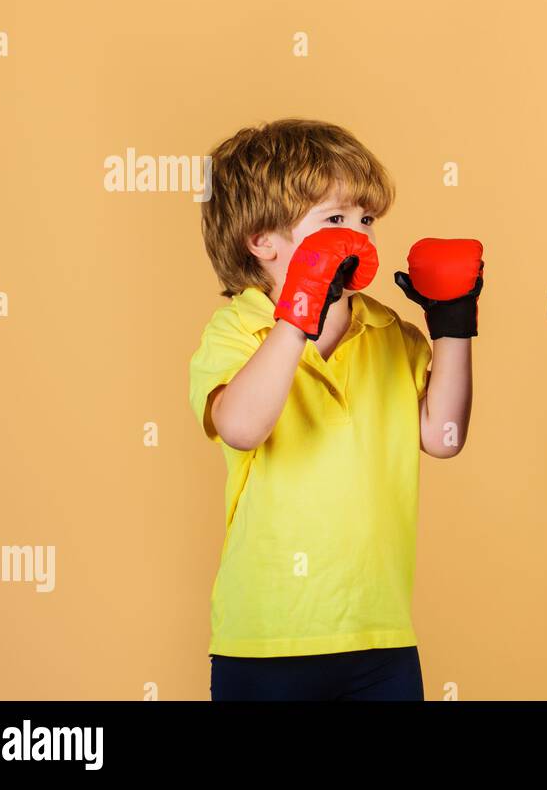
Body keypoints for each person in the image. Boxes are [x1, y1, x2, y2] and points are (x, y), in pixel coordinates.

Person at [188, 119, 482, 700]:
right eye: (337, 221)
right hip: (266, 640)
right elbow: (242, 429)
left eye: (366, 220)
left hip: (379, 634)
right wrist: (297, 315)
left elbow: (444, 436)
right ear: (263, 241)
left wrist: (452, 326)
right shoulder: (236, 331)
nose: (361, 237)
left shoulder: (388, 330)